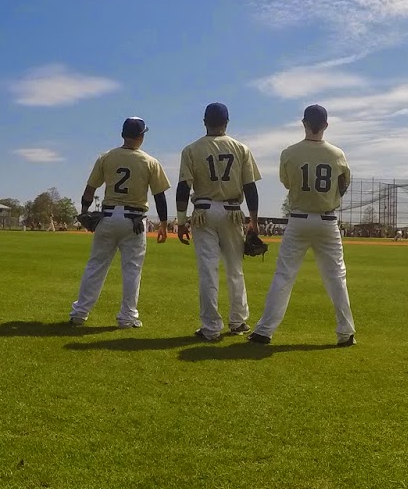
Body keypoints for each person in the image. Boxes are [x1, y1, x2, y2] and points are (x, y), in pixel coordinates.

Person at [248, 105, 356, 347]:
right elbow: (343, 184)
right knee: (336, 277)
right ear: (326, 125)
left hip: (298, 220)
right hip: (328, 221)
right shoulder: (337, 154)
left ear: (304, 123)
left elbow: (288, 183)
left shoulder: (290, 153)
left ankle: (264, 331)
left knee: (283, 276)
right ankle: (346, 332)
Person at [70, 117, 172, 329]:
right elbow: (159, 196)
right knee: (132, 270)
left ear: (122, 134)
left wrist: (84, 212)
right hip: (133, 220)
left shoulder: (106, 157)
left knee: (96, 266)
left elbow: (89, 190)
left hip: (106, 217)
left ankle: (80, 313)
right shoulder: (150, 161)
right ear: (141, 136)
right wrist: (163, 224)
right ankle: (127, 317)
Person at [175, 102, 261, 341]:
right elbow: (250, 188)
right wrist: (253, 221)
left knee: (208, 270)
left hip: (203, 212)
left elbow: (183, 188)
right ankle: (238, 321)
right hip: (232, 211)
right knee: (235, 269)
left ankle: (211, 327)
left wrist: (181, 221)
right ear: (227, 122)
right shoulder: (241, 148)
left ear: (204, 122)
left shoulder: (191, 149)